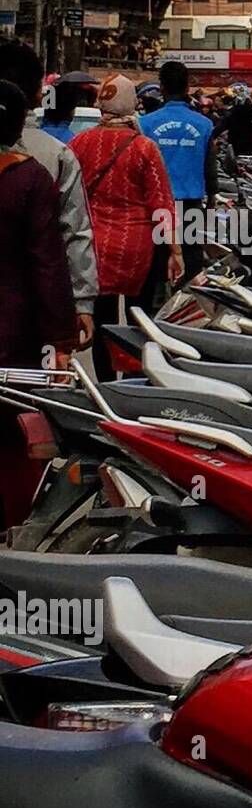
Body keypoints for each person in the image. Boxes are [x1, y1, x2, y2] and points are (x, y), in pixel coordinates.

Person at [0, 80, 78, 528]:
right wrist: (61, 338)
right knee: (15, 433)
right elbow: (49, 263)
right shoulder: (29, 178)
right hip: (15, 335)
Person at [70, 75, 182, 379]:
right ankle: (133, 381)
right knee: (137, 320)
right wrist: (174, 250)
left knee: (103, 321)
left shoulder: (79, 143)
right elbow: (161, 204)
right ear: (132, 103)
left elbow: (68, 199)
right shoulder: (144, 148)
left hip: (94, 246)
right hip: (136, 249)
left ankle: (106, 384)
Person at [0, 41, 98, 351]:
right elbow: (71, 235)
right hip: (26, 318)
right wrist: (81, 305)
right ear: (34, 94)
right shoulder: (53, 157)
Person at [139, 61, 217, 278]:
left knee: (155, 263)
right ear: (187, 88)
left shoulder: (145, 124)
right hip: (191, 205)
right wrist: (212, 199)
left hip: (155, 207)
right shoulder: (204, 124)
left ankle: (153, 310)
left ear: (162, 88)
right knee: (191, 264)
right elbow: (210, 166)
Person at [214, 84, 252, 155]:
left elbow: (222, 126)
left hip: (236, 147)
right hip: (250, 147)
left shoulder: (234, 112)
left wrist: (211, 136)